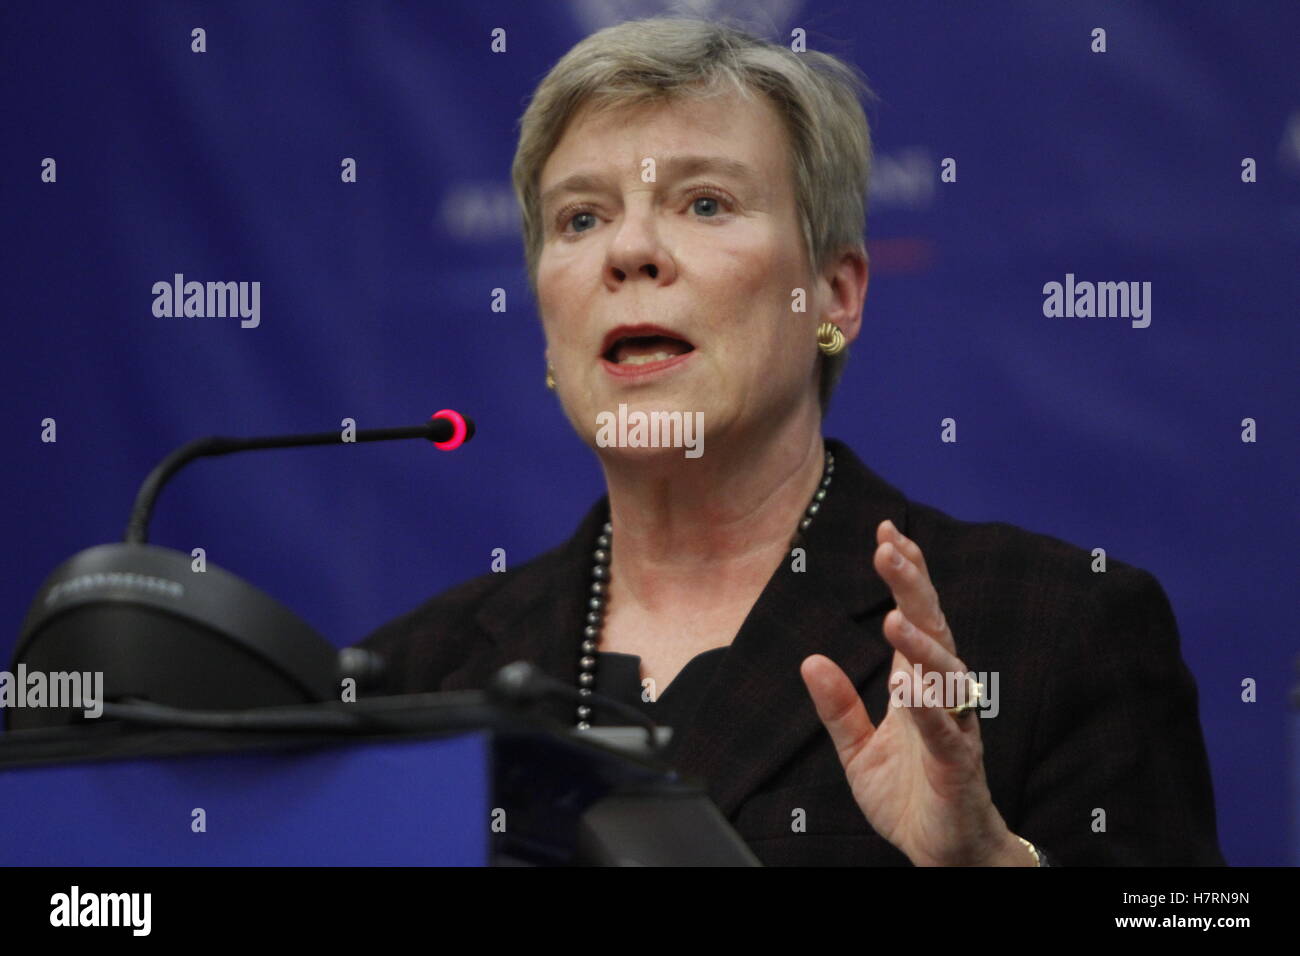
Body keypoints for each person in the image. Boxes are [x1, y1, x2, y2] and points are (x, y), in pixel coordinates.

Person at [357, 16, 1224, 866]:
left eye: (705, 202)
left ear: (834, 295)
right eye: (580, 219)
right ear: (548, 327)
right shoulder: (416, 679)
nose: (628, 250)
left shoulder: (1051, 630)